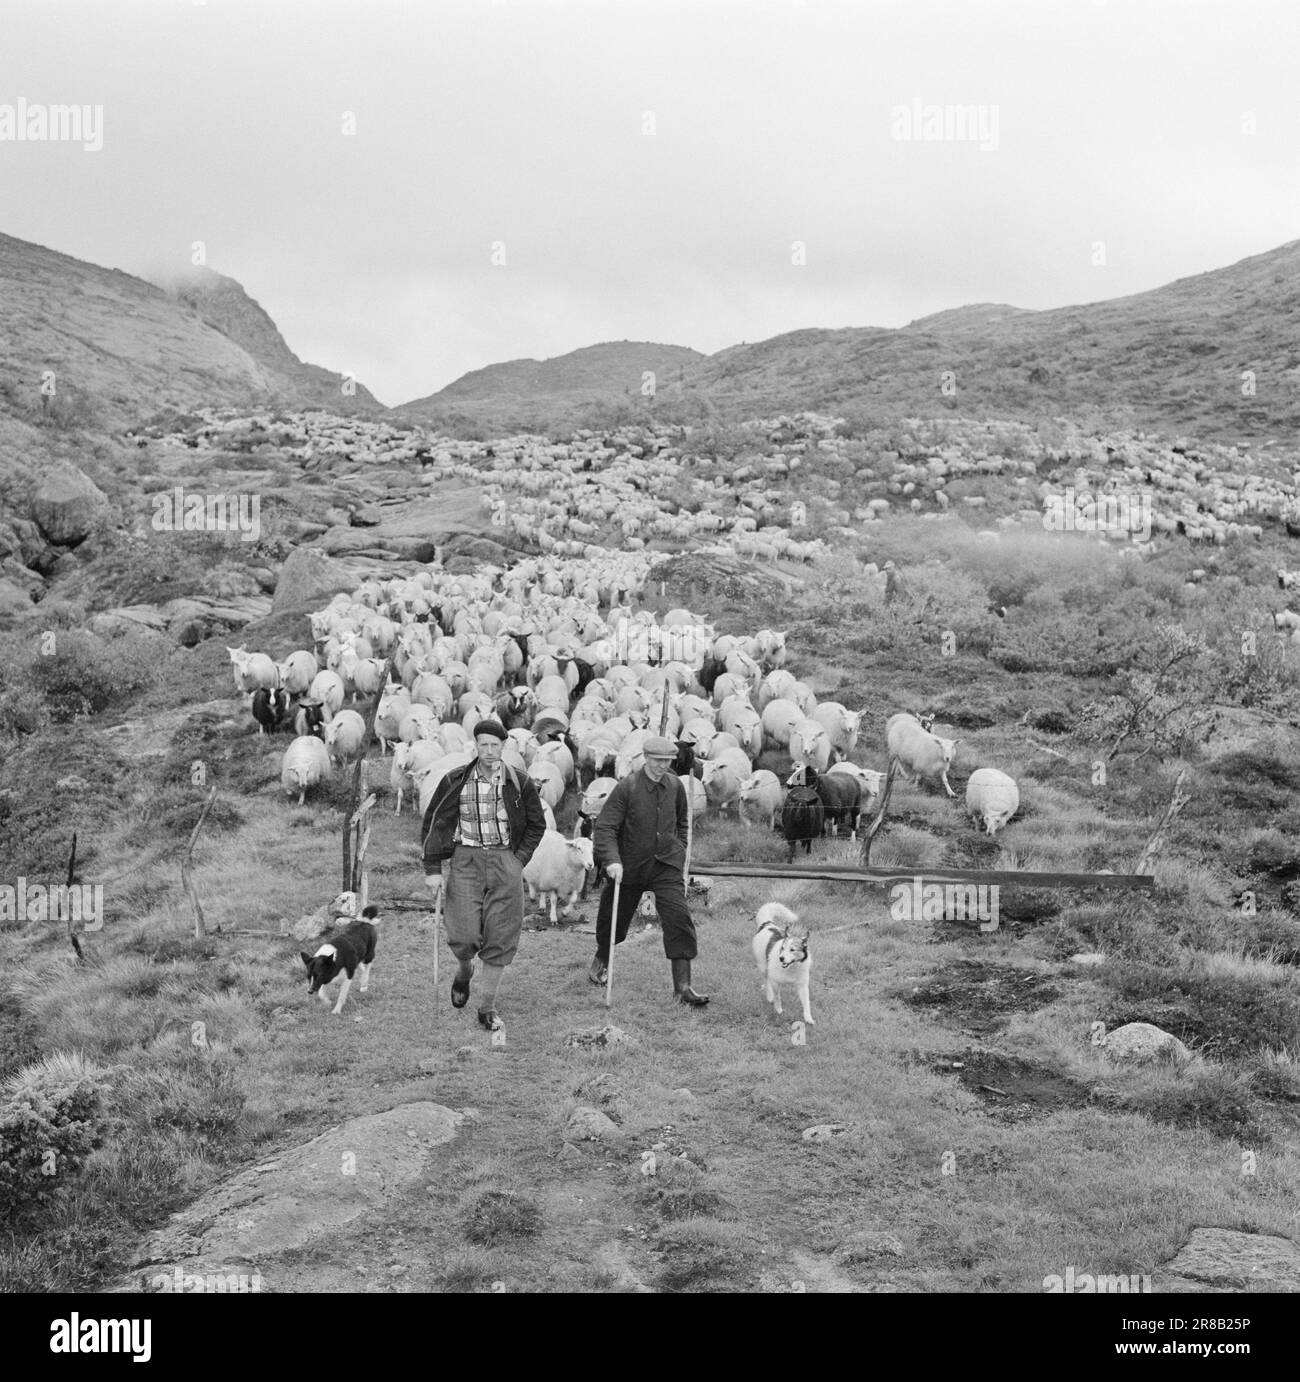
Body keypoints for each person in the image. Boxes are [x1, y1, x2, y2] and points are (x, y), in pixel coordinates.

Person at [422, 720, 546, 1030]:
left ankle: (487, 1007)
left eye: (495, 745)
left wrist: (518, 860)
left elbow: (536, 825)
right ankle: (465, 970)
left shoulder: (519, 782)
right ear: (475, 747)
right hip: (466, 860)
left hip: (506, 861)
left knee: (500, 934)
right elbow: (434, 823)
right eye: (483, 745)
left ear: (503, 747)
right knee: (463, 934)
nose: (489, 751)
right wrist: (433, 870)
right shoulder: (455, 780)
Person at [590, 735, 709, 1008]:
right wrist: (611, 860)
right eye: (657, 761)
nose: (661, 767)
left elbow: (682, 822)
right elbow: (606, 828)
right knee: (614, 920)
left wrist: (679, 850)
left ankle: (683, 987)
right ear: (646, 758)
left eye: (667, 761)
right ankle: (602, 957)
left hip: (665, 865)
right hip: (629, 865)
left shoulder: (675, 786)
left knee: (679, 917)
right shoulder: (627, 787)